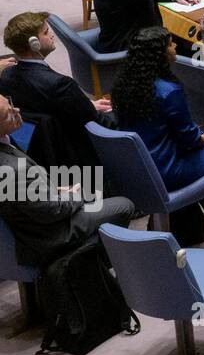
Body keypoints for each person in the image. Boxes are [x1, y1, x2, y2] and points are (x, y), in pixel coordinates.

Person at [0, 95, 135, 269]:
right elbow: (50, 211)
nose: (17, 111)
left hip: (34, 216)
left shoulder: (5, 145)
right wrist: (75, 195)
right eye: (7, 114)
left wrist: (55, 189)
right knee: (124, 205)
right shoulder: (11, 168)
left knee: (92, 189)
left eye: (10, 103)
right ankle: (89, 268)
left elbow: (25, 195)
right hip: (47, 234)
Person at [0, 12, 113, 169]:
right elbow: (99, 122)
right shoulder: (61, 85)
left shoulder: (6, 75)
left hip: (41, 154)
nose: (52, 35)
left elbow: (48, 107)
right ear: (34, 44)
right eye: (46, 32)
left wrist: (84, 104)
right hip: (77, 159)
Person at [111, 28, 204, 194]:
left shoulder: (124, 85)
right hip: (167, 170)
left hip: (138, 165)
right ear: (160, 54)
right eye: (170, 44)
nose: (175, 46)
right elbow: (188, 139)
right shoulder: (169, 91)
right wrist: (201, 138)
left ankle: (202, 212)